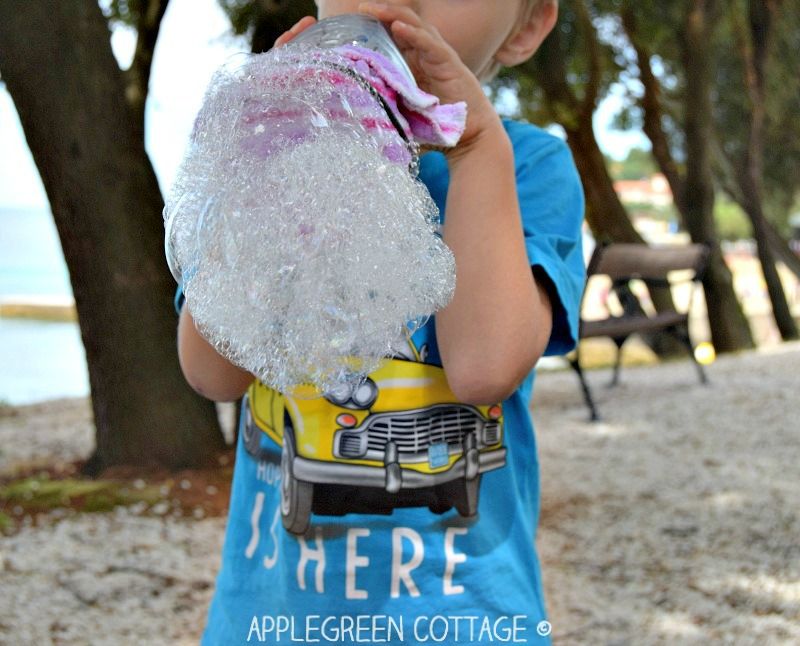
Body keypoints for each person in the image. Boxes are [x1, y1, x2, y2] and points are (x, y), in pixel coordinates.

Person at [177, 0, 585, 643]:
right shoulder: (281, 154)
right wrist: (257, 162)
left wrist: (474, 147)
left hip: (462, 623)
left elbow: (483, 370)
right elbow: (210, 372)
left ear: (526, 26)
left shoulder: (527, 167)